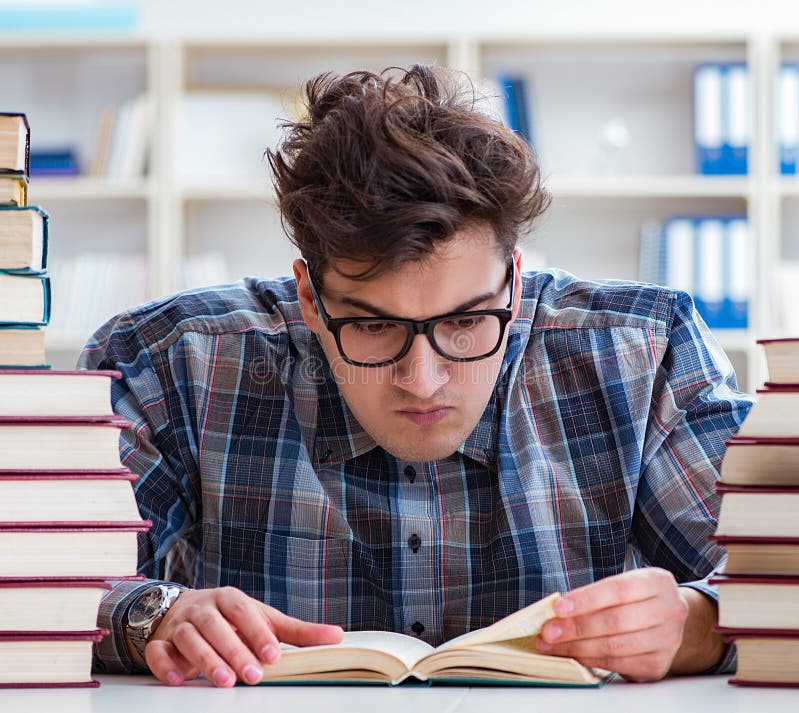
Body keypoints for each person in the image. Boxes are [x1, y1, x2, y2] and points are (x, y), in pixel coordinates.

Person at [79, 64, 753, 688]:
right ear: (310, 299)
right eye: (373, 326)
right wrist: (153, 616)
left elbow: (769, 574)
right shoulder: (167, 361)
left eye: (464, 322)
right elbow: (40, 583)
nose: (423, 379)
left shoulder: (645, 351)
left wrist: (696, 621)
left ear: (514, 285)